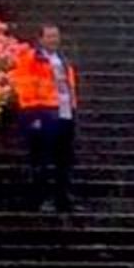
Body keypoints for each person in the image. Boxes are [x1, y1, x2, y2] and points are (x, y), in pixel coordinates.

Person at [12, 25, 79, 212]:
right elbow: (24, 87)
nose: (54, 40)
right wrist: (32, 115)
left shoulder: (62, 59)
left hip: (64, 114)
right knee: (41, 160)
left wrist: (72, 110)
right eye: (49, 36)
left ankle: (62, 199)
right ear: (40, 39)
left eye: (56, 36)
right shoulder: (30, 59)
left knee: (63, 159)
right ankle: (40, 198)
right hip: (43, 113)